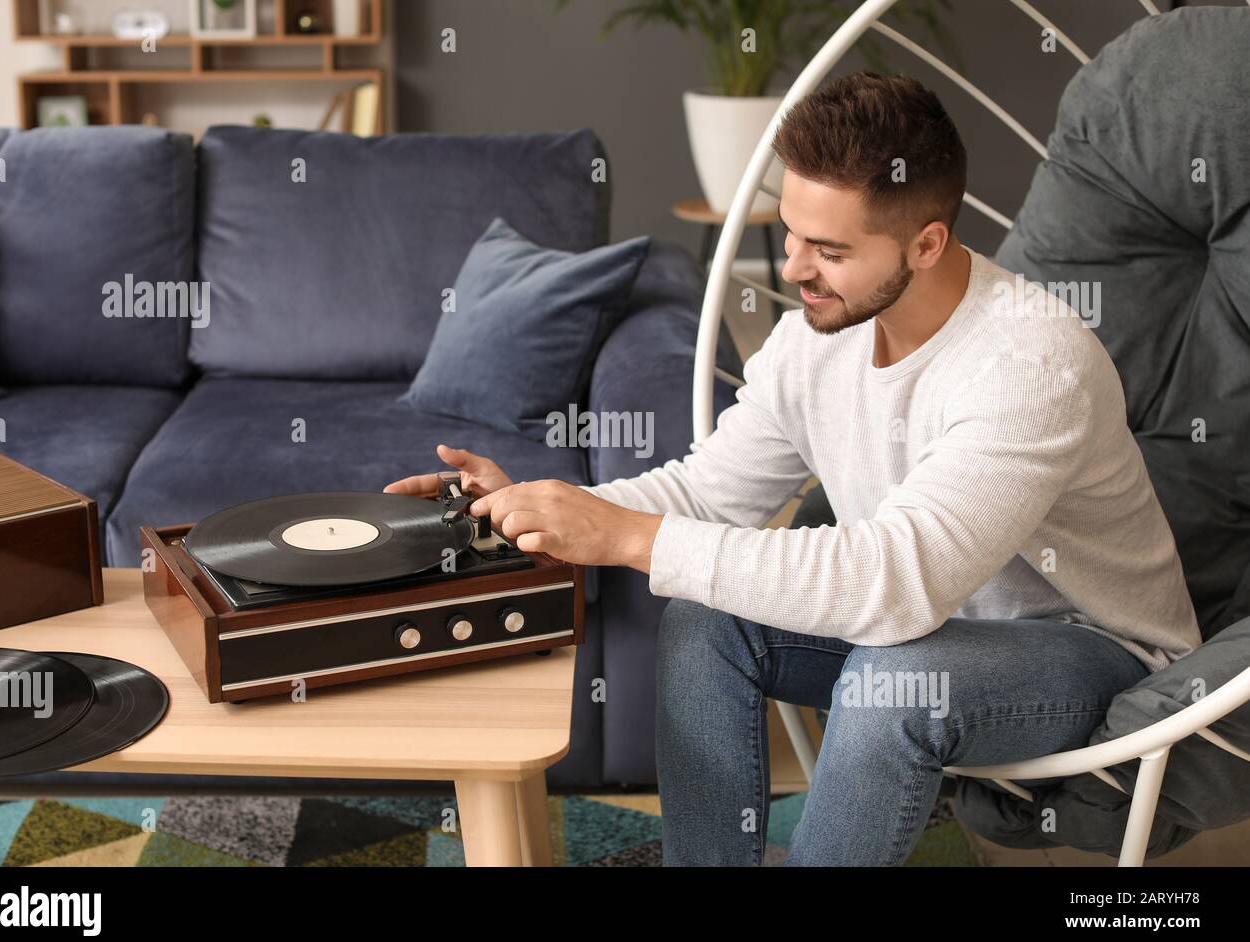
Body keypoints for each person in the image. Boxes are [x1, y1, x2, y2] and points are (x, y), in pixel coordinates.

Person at [385, 72, 1201, 866]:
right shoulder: (822, 330)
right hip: (924, 631)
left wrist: (632, 538)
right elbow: (710, 493)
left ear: (926, 243)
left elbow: (896, 583)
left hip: (1085, 650)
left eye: (830, 249)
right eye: (790, 233)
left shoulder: (1030, 362)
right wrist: (544, 505)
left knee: (895, 683)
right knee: (704, 619)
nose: (792, 269)